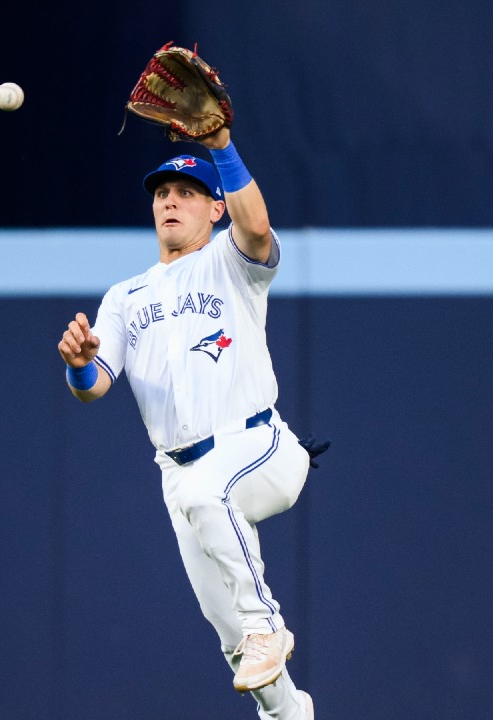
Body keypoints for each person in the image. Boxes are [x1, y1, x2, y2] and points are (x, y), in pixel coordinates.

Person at [56, 126, 322, 720]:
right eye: (162, 193)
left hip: (258, 444)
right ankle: (288, 714)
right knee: (233, 643)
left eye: (187, 191)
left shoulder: (230, 262)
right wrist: (77, 366)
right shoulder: (126, 296)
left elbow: (256, 229)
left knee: (215, 508)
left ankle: (268, 625)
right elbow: (96, 383)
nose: (170, 201)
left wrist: (222, 148)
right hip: (180, 476)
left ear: (214, 206)